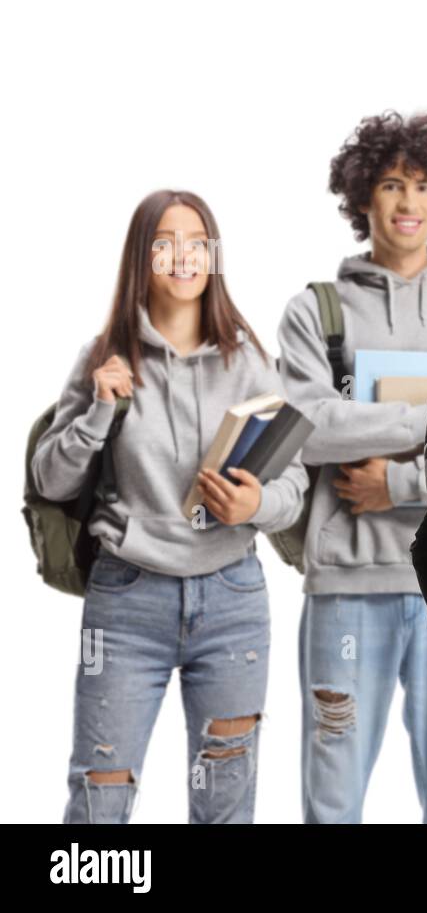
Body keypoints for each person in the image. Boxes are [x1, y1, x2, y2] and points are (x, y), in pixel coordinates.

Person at [34, 189, 308, 823]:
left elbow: (293, 489)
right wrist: (101, 409)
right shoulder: (103, 356)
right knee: (101, 794)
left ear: (213, 257)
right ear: (141, 257)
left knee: (226, 802)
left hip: (233, 603)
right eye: (165, 243)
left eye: (196, 243)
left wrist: (256, 503)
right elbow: (51, 479)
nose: (182, 257)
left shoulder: (249, 361)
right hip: (127, 603)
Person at [277, 111, 427, 823]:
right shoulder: (320, 311)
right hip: (346, 582)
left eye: (425, 186)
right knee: (332, 794)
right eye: (392, 185)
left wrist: (399, 480)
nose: (410, 203)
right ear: (361, 198)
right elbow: (304, 428)